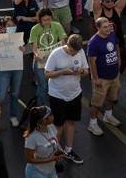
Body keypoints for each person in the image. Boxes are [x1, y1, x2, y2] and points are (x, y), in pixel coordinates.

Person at [43, 33, 87, 164]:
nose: (74, 54)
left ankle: (68, 150)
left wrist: (81, 71)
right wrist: (63, 71)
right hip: (57, 95)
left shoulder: (80, 52)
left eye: (76, 52)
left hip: (74, 94)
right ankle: (55, 152)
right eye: (72, 51)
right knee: (58, 125)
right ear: (67, 45)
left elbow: (86, 71)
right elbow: (47, 74)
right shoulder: (56, 54)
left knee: (71, 122)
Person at [86, 16, 121, 137]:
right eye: (105, 27)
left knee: (111, 96)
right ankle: (92, 124)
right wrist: (96, 79)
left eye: (108, 26)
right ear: (98, 27)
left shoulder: (111, 34)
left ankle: (108, 115)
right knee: (96, 102)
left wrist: (119, 59)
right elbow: (92, 61)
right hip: (102, 78)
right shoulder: (93, 42)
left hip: (114, 76)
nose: (108, 29)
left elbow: (116, 46)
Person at [22, 106, 65, 178]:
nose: (53, 115)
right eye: (51, 115)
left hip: (51, 170)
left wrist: (60, 150)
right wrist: (49, 159)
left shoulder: (51, 127)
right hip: (36, 173)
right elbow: (29, 159)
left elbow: (55, 142)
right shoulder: (32, 137)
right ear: (44, 120)